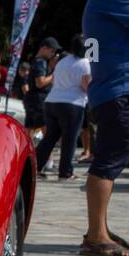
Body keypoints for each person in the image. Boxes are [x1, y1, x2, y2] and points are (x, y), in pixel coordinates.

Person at [80, 0, 129, 256]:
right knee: (108, 161)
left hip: (120, 90)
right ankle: (95, 234)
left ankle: (100, 228)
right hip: (122, 90)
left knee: (113, 158)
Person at [35, 34, 92, 179]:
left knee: (49, 138)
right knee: (69, 139)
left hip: (52, 101)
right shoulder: (85, 63)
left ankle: (34, 166)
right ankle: (66, 172)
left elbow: (55, 80)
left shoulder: (62, 61)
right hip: (72, 104)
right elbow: (86, 86)